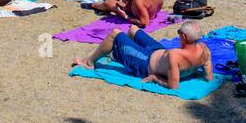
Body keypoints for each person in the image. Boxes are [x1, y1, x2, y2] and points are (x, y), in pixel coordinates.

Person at [72, 21, 212, 92]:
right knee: (133, 29)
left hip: (144, 63)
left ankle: (89, 62)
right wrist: (192, 70)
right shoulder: (204, 51)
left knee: (115, 33)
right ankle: (120, 54)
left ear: (183, 36)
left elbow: (173, 86)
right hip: (158, 51)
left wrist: (155, 78)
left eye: (178, 32)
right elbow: (208, 77)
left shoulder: (175, 56)